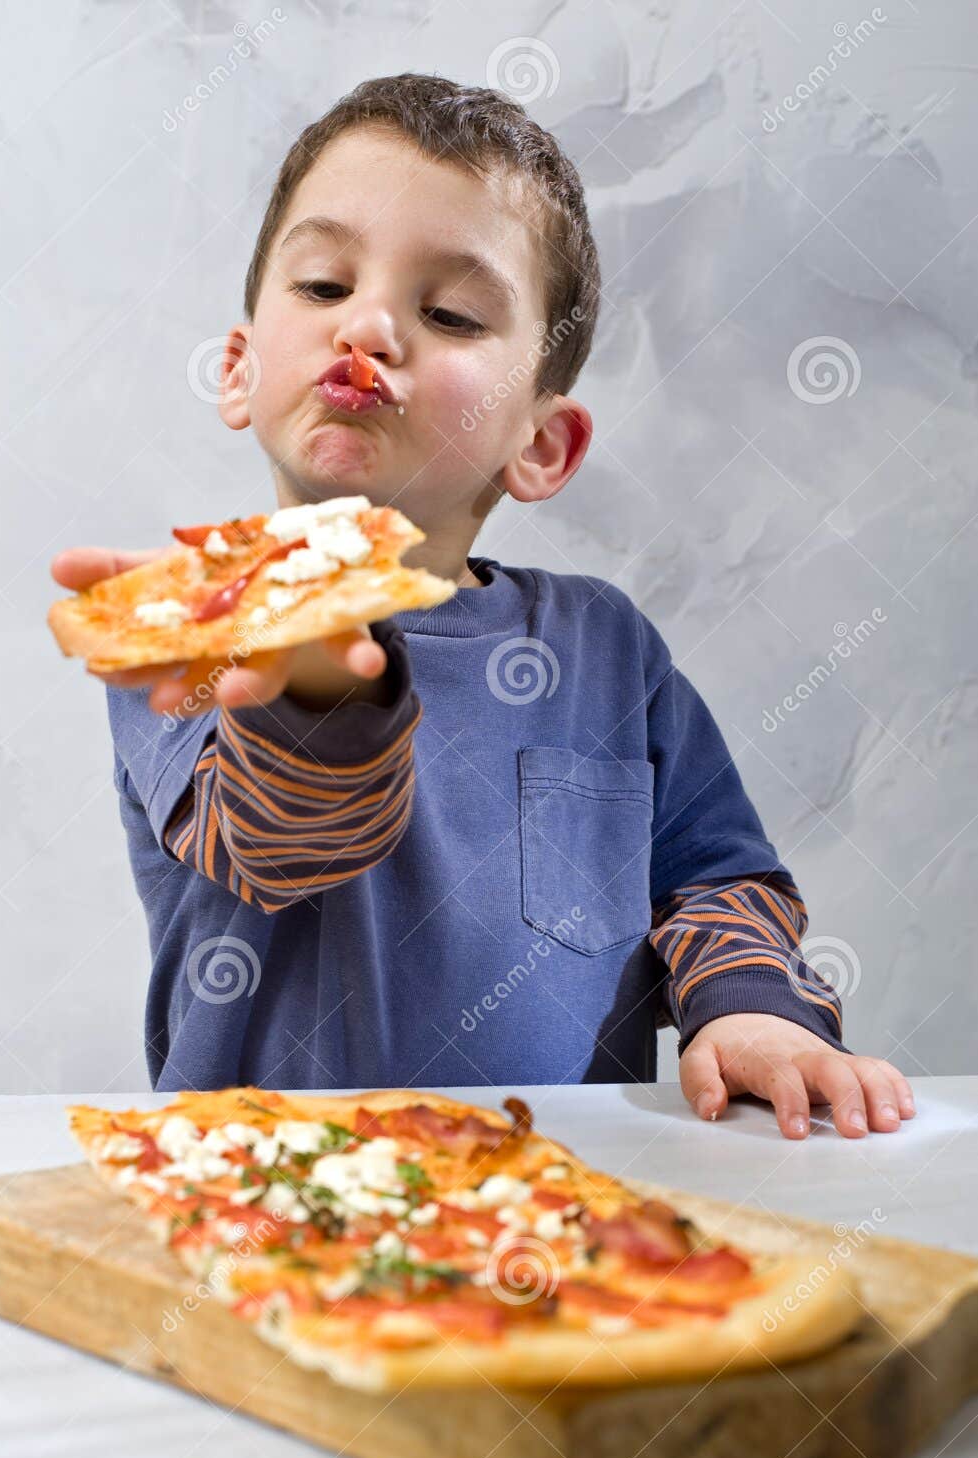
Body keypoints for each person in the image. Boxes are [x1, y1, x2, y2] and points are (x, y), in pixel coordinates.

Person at [52, 73, 914, 1140]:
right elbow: (278, 844)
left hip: (574, 1207)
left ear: (542, 445)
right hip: (264, 1205)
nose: (368, 323)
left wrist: (750, 1012)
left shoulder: (607, 651)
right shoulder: (193, 619)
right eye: (323, 285)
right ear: (238, 370)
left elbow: (715, 875)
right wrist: (315, 680)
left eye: (450, 311)